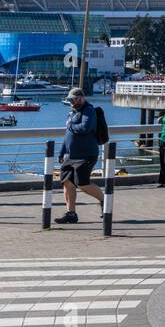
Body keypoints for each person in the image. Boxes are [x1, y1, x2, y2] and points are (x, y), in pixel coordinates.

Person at [55, 87, 104, 225]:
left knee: (82, 183)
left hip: (86, 154)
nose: (70, 102)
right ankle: (71, 213)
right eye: (69, 100)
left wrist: (70, 125)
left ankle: (104, 201)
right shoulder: (72, 112)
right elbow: (67, 136)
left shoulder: (89, 110)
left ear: (81, 98)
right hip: (70, 155)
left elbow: (85, 128)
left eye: (72, 100)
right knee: (67, 182)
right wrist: (61, 151)